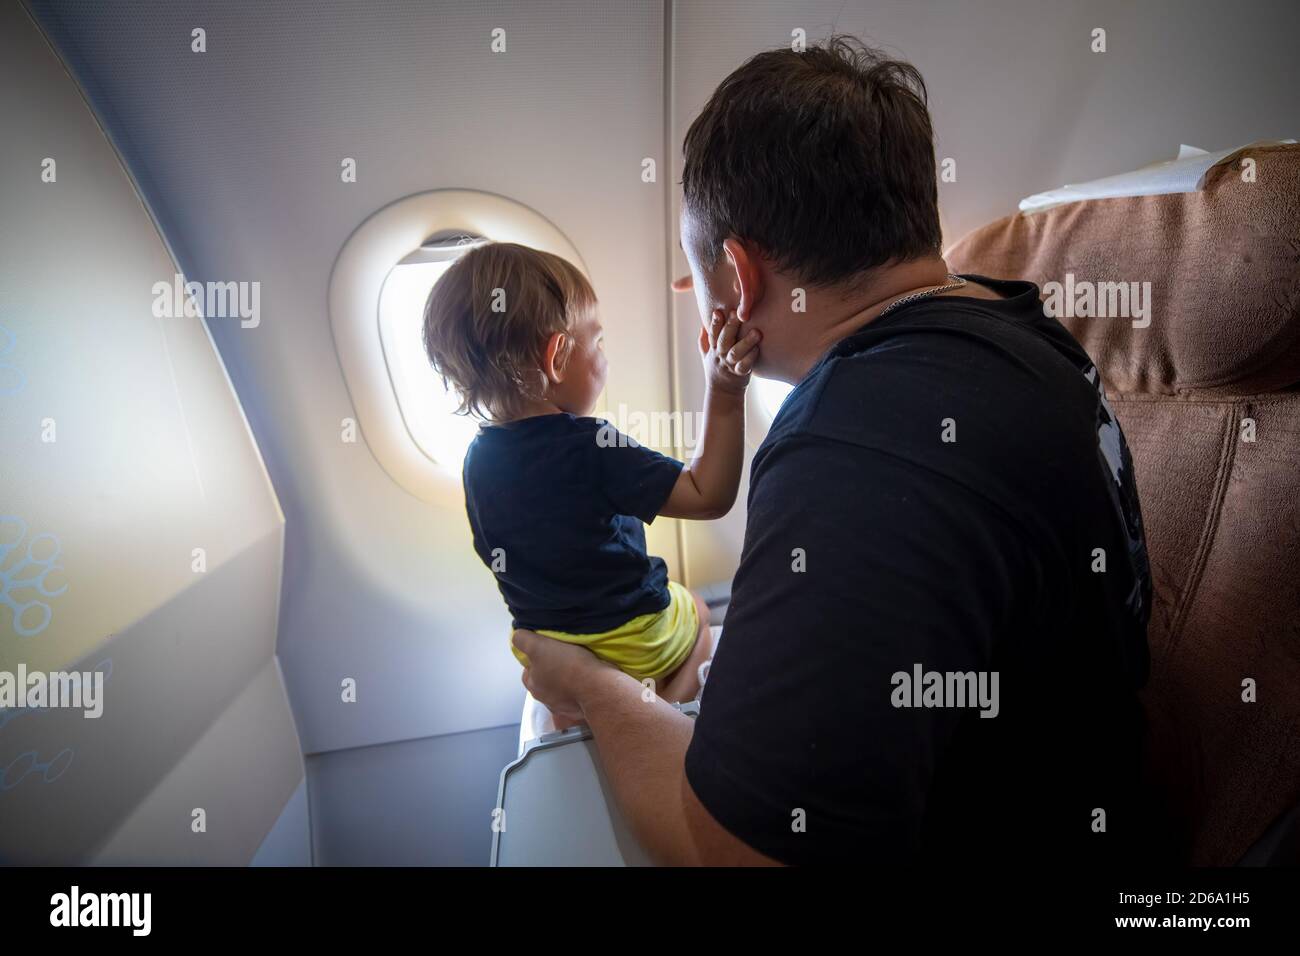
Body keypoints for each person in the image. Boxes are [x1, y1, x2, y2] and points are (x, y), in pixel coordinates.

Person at [512, 36, 1153, 864]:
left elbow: (732, 853)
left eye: (698, 272)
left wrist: (590, 689)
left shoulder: (854, 445)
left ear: (738, 279)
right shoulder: (1022, 332)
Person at [422, 241, 761, 724]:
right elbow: (708, 496)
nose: (603, 353)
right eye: (596, 341)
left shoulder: (477, 459)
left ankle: (578, 711)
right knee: (700, 616)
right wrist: (724, 388)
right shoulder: (591, 445)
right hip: (634, 639)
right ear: (557, 355)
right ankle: (660, 712)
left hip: (547, 646)